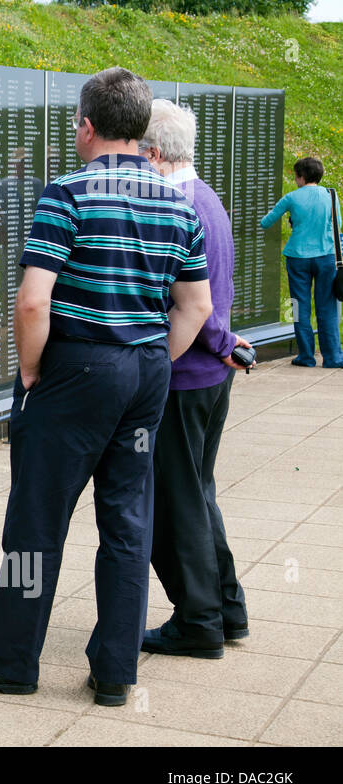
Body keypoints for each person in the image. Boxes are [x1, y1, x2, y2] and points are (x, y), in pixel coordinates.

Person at [0, 67, 213, 707]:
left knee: (36, 517)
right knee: (127, 521)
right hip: (146, 374)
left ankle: (10, 660)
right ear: (140, 129)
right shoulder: (177, 201)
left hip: (76, 370)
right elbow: (193, 307)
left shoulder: (69, 192)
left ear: (86, 125)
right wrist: (148, 357)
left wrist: (32, 370)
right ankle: (115, 671)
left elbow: (34, 302)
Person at [138, 100, 250, 657]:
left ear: (153, 152)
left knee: (176, 501)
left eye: (138, 149)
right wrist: (228, 346)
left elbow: (193, 305)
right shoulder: (206, 196)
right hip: (211, 374)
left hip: (185, 374)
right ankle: (226, 609)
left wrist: (220, 343)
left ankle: (199, 620)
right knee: (199, 494)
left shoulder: (177, 204)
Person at [260, 157, 343, 368]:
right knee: (327, 308)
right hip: (326, 257)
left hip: (297, 258)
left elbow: (265, 222)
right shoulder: (331, 196)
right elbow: (338, 225)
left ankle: (305, 356)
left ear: (301, 176)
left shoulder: (291, 198)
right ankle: (333, 358)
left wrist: (294, 220)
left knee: (298, 306)